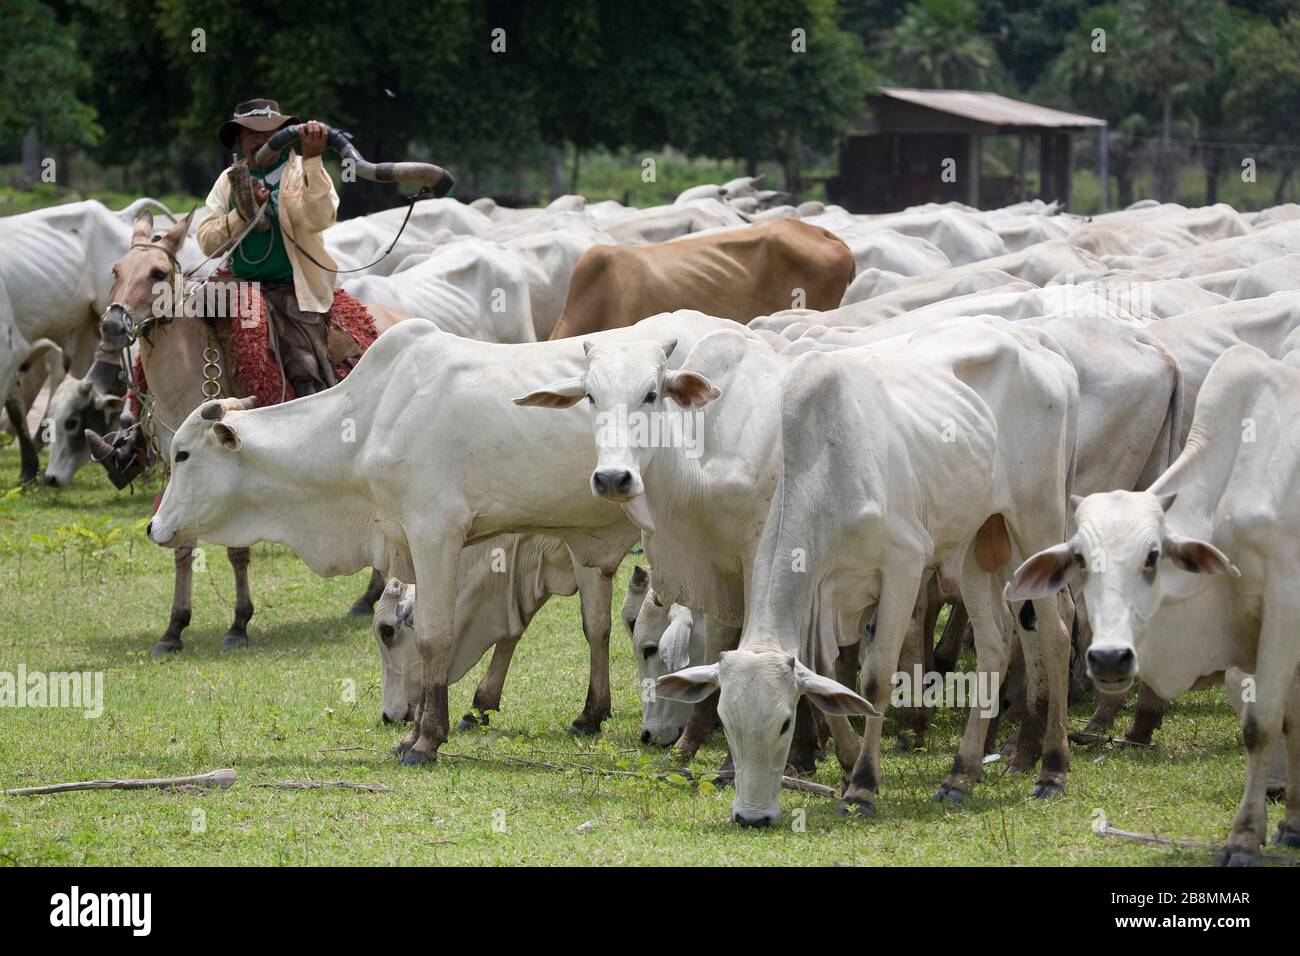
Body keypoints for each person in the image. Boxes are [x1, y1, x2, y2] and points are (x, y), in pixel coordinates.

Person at [196, 98, 346, 396]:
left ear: (283, 134)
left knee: (304, 366)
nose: (261, 139)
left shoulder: (302, 171)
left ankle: (316, 417)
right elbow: (208, 243)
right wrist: (243, 213)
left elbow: (320, 217)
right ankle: (140, 422)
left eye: (269, 132)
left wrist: (314, 159)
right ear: (239, 139)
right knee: (170, 323)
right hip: (239, 287)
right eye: (252, 133)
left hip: (290, 288)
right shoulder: (228, 180)